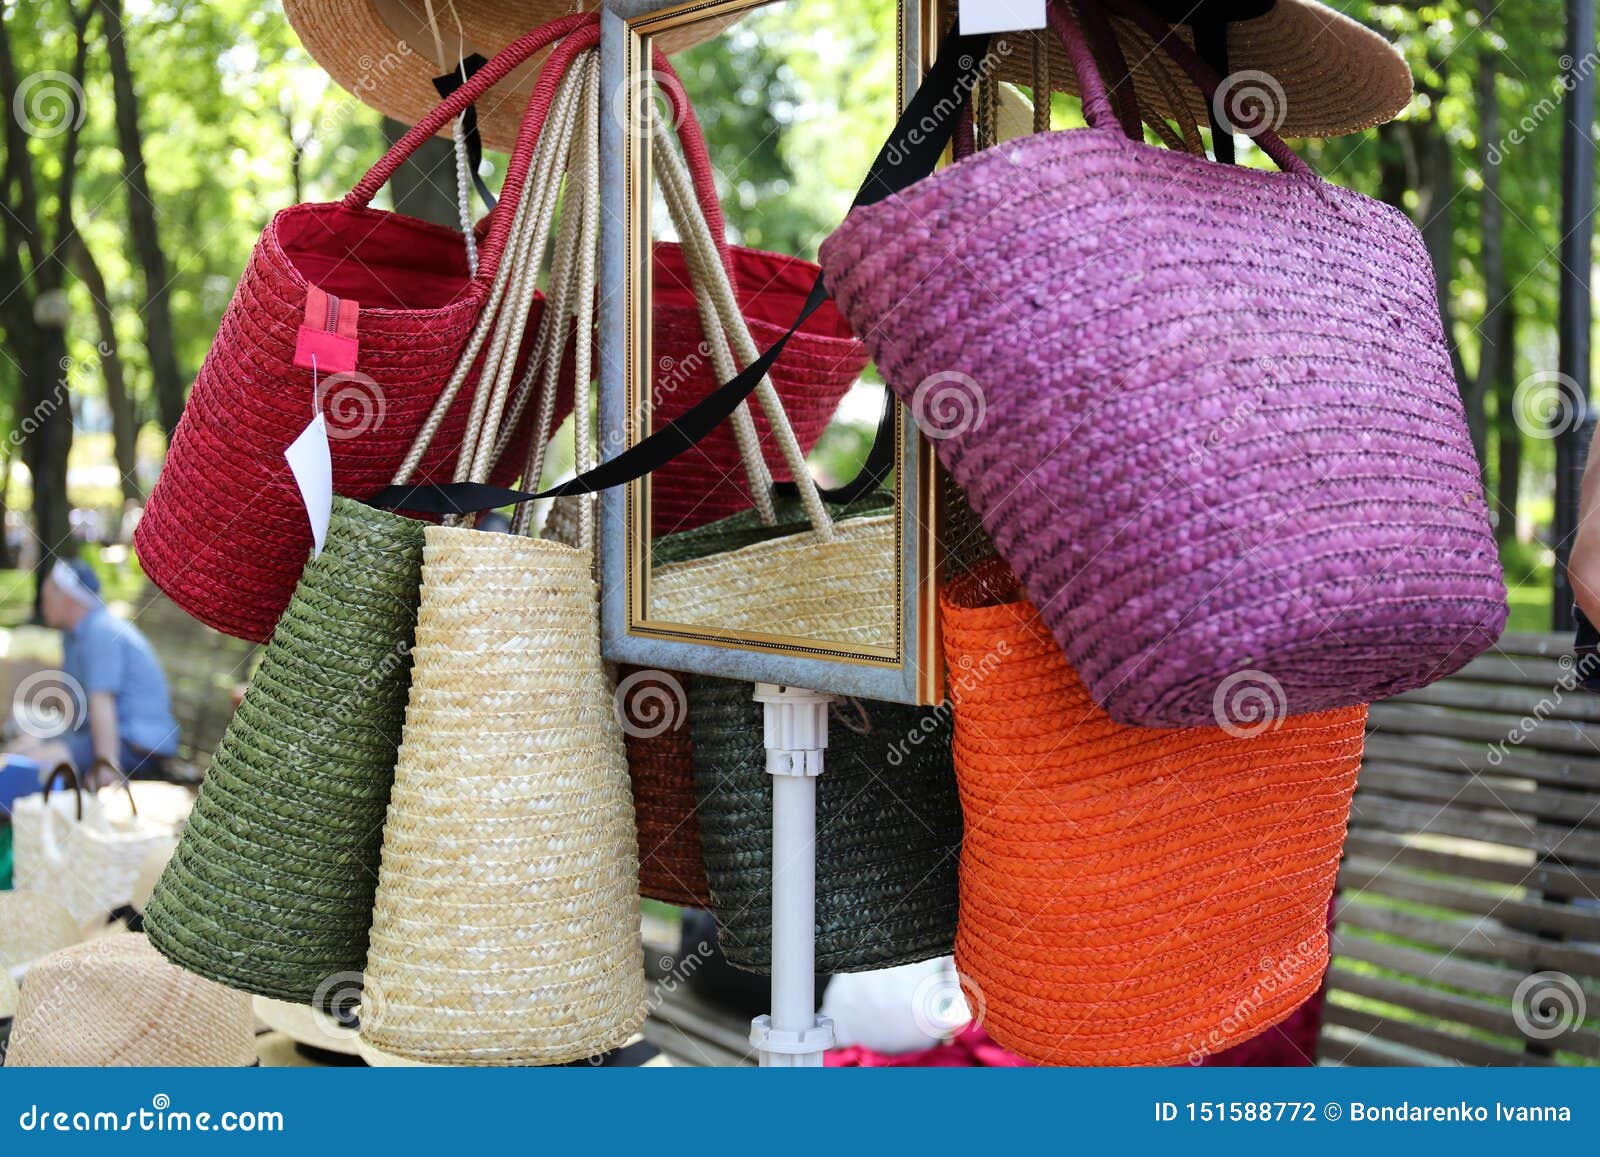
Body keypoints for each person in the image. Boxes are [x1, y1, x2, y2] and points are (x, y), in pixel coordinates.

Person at [10, 558, 179, 780]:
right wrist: (49, 738)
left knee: (40, 761)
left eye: (47, 598)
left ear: (67, 597)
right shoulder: (72, 636)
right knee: (21, 750)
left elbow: (102, 703)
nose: (42, 605)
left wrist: (105, 767)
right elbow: (72, 704)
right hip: (104, 735)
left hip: (135, 745)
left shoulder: (101, 630)